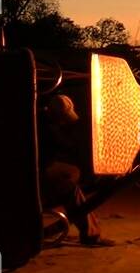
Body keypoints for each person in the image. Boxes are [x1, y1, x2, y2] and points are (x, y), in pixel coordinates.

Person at [39, 94, 114, 247]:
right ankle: (91, 235)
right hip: (38, 173)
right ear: (55, 116)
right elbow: (65, 146)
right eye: (62, 119)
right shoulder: (48, 129)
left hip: (41, 167)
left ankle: (75, 193)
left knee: (72, 172)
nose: (64, 122)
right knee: (71, 190)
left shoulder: (40, 117)